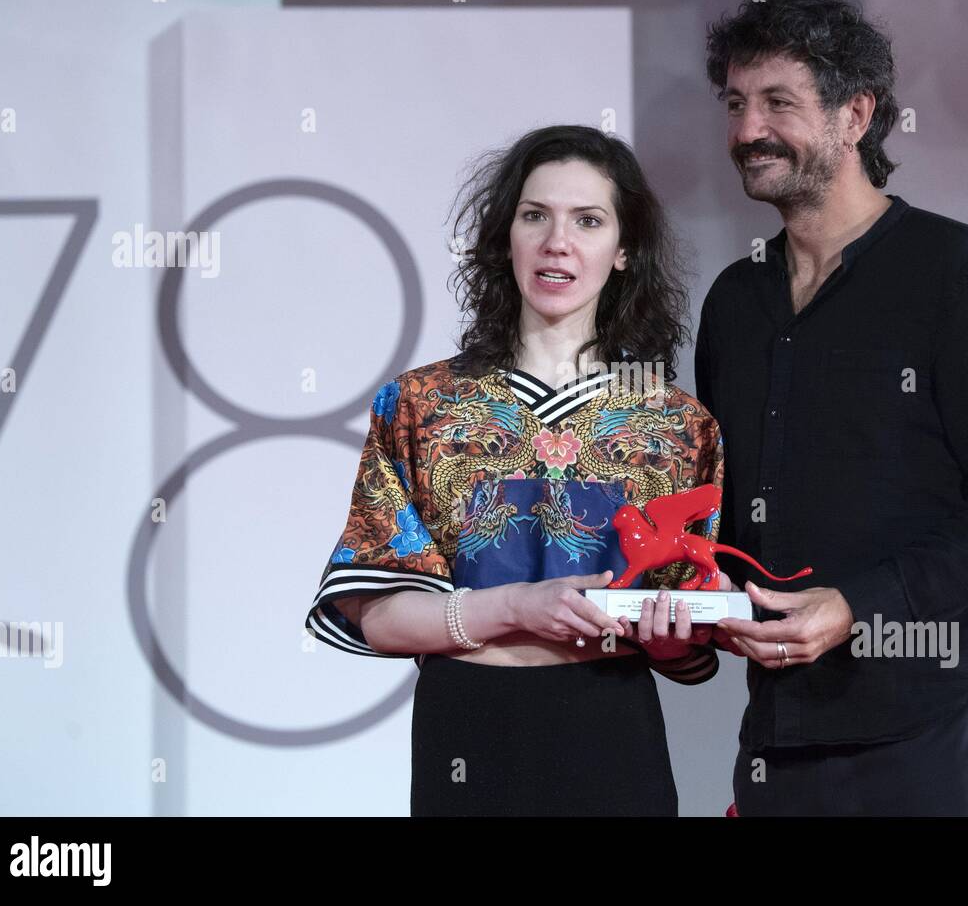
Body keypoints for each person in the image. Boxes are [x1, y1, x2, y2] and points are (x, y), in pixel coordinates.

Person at [697, 0, 968, 815]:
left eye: (777, 102)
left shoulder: (954, 271)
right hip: (779, 743)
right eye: (735, 103)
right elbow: (732, 531)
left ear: (855, 115)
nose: (746, 130)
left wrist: (857, 607)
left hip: (936, 733)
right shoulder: (734, 302)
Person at [305, 125, 725, 816]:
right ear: (508, 237)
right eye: (536, 216)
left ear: (624, 251)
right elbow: (375, 616)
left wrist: (673, 636)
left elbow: (690, 647)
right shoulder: (419, 404)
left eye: (588, 221)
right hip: (468, 725)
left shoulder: (679, 425)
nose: (557, 240)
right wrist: (512, 608)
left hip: (611, 733)